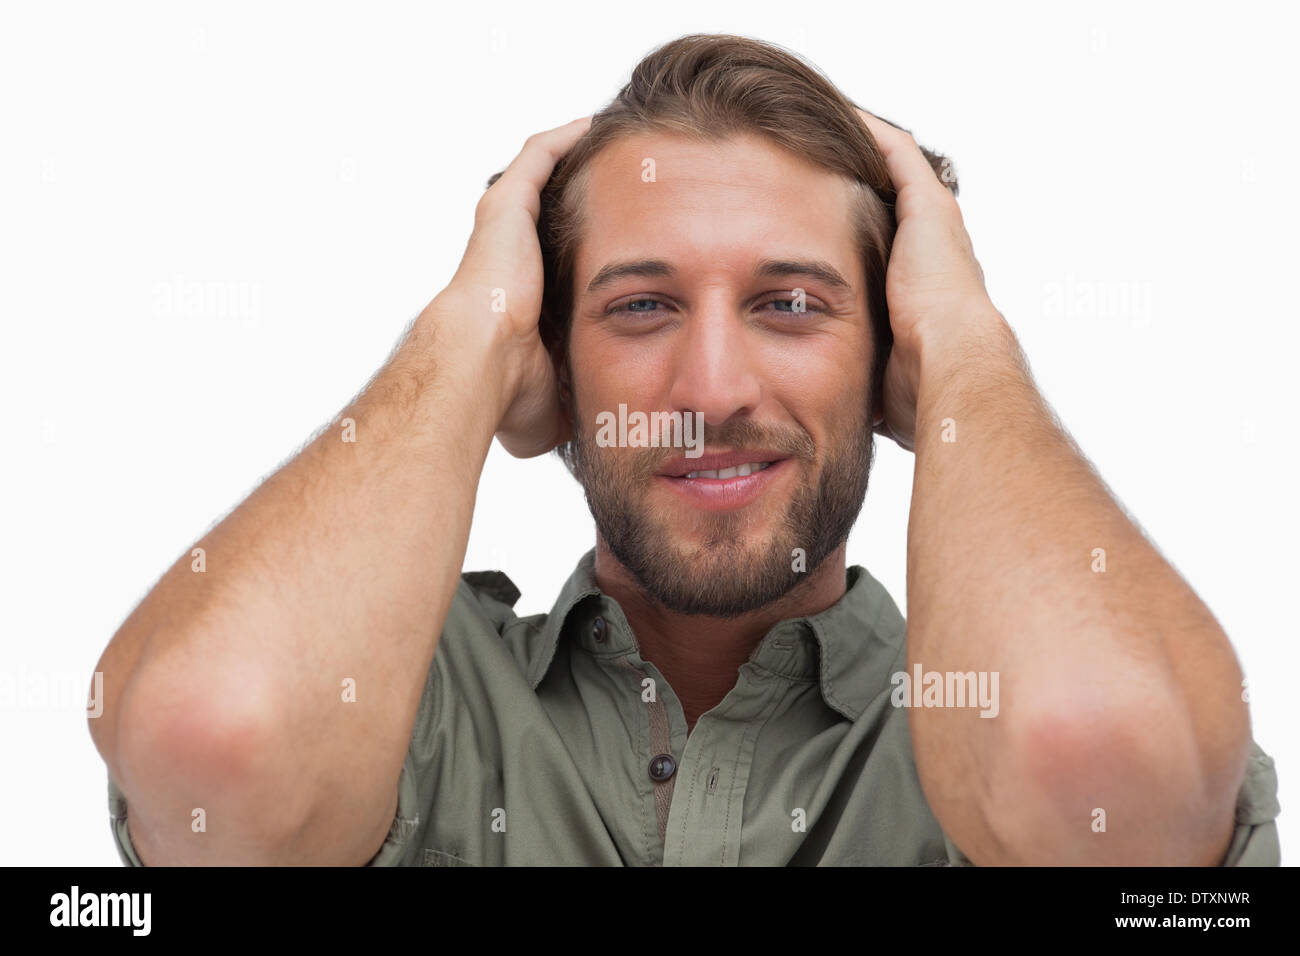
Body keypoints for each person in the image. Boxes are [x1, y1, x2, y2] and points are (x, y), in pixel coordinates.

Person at [90, 33, 1280, 866]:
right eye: (642, 306)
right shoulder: (407, 703)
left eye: (792, 304)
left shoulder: (995, 707)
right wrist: (467, 337)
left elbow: (1105, 756)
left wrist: (970, 351)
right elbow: (213, 733)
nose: (711, 390)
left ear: (892, 362)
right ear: (548, 367)